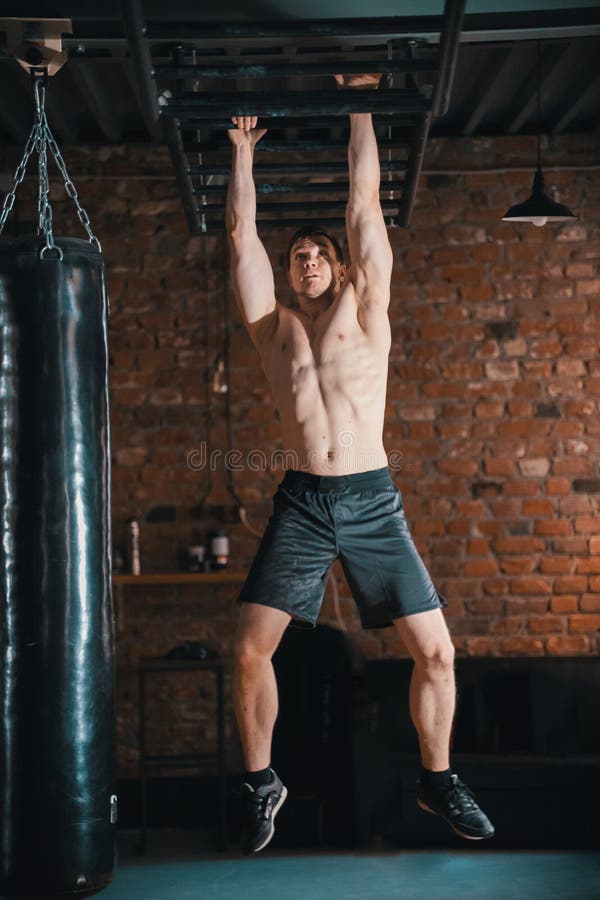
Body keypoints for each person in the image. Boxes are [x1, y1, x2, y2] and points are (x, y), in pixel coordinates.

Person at [226, 73, 494, 854]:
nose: (305, 260)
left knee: (438, 653)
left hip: (372, 500)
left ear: (340, 267)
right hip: (305, 501)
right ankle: (259, 782)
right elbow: (241, 237)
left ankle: (438, 780)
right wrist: (242, 153)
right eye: (297, 255)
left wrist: (360, 106)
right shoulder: (272, 332)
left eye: (317, 253)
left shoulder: (367, 310)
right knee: (246, 651)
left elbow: (364, 204)